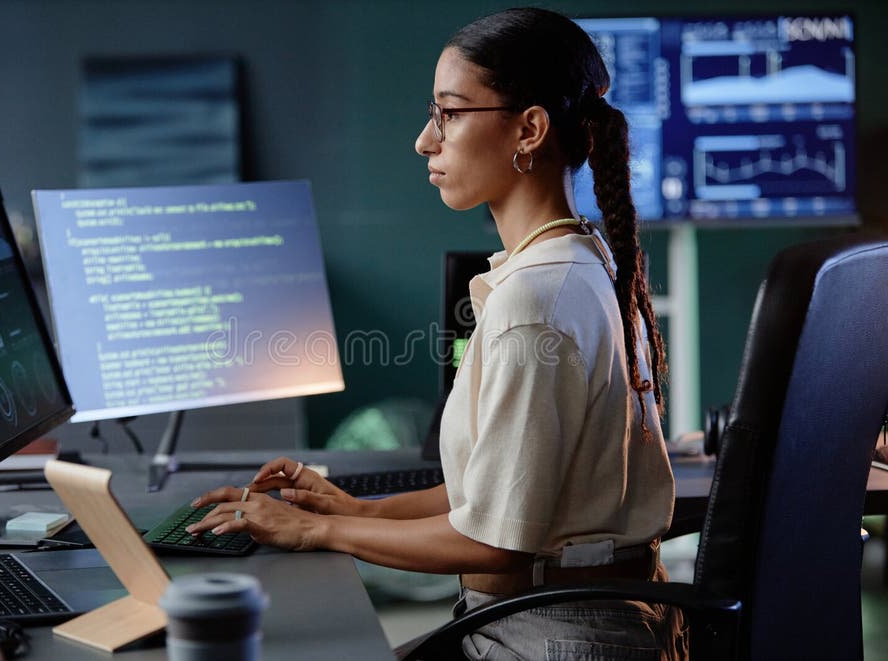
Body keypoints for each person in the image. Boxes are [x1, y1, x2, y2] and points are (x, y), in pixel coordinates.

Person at [186, 7, 685, 659]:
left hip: (549, 636)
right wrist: (348, 510)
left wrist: (315, 533)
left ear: (529, 129)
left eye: (449, 113)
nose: (426, 139)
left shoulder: (539, 298)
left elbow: (493, 542)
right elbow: (497, 492)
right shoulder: (578, 266)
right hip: (549, 617)